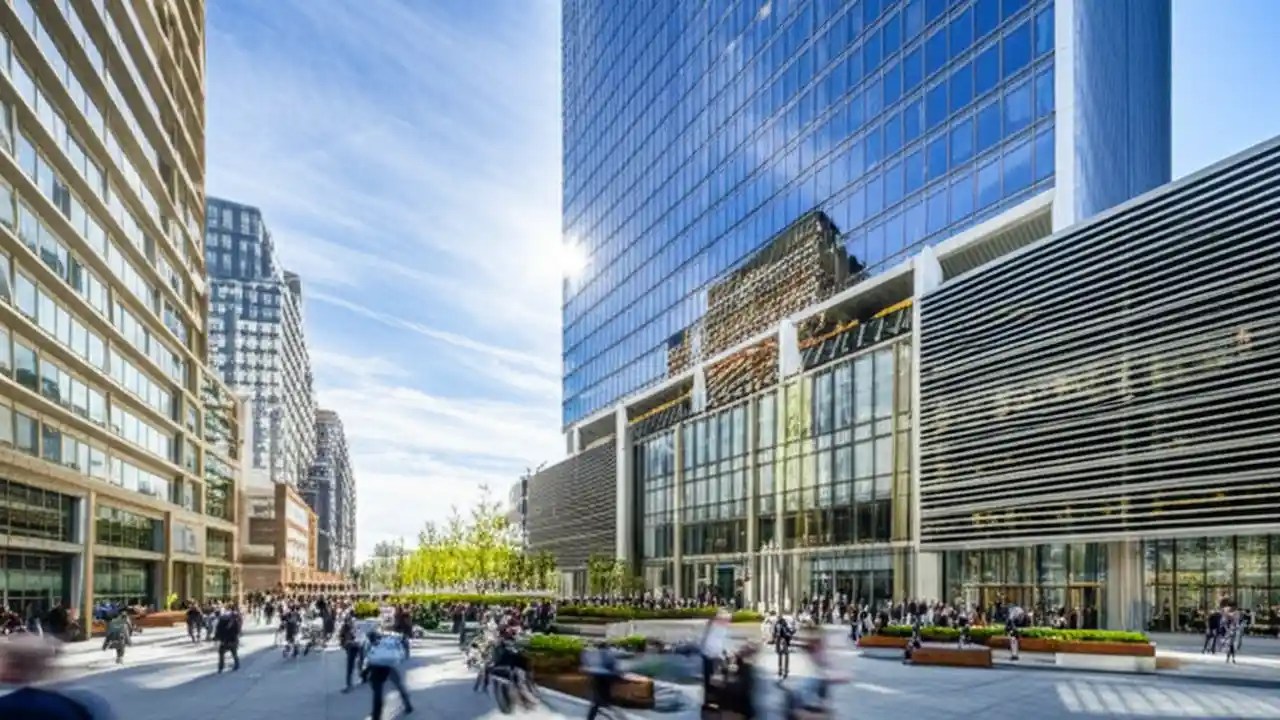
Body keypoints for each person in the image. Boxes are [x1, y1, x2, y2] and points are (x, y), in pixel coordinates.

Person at [365, 629, 414, 719]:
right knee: (399, 685)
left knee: (377, 694)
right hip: (388, 666)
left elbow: (366, 659)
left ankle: (376, 716)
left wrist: (364, 673)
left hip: (376, 669)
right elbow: (403, 641)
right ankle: (408, 705)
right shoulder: (386, 640)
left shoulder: (369, 643)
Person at [582, 641, 620, 720]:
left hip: (597, 677)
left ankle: (592, 716)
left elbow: (588, 664)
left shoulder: (594, 654)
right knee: (602, 699)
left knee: (597, 700)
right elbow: (613, 666)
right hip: (606, 678)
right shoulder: (608, 654)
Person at [215, 604, 243, 673]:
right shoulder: (233, 621)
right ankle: (236, 664)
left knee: (222, 652)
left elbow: (218, 631)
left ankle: (221, 667)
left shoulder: (221, 622)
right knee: (233, 652)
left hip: (226, 640)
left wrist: (217, 638)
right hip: (231, 639)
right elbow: (237, 631)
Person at [340, 612, 364, 692]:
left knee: (361, 663)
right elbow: (342, 637)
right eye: (350, 620)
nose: (352, 622)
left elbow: (362, 635)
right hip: (351, 647)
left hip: (358, 646)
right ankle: (349, 684)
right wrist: (346, 644)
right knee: (350, 666)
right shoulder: (345, 627)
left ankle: (363, 677)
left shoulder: (358, 626)